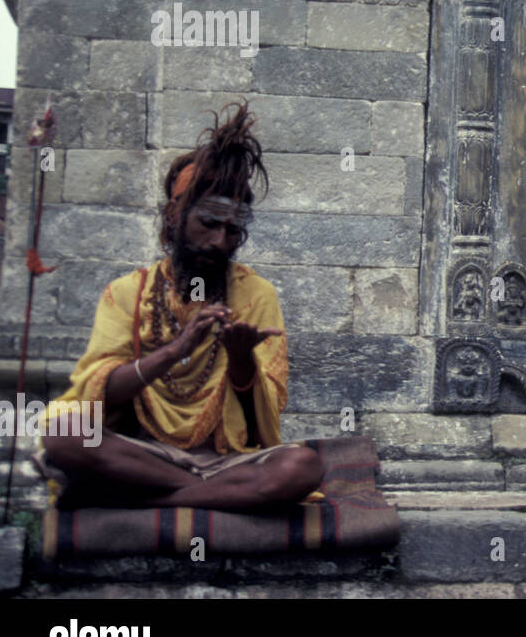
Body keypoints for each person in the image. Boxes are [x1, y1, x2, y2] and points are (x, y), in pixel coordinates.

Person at [36, 101, 323, 511]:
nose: (220, 242)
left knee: (301, 467)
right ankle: (201, 497)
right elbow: (100, 392)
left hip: (226, 461)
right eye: (208, 223)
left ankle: (145, 502)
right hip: (145, 456)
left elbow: (264, 420)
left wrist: (242, 363)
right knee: (65, 434)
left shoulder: (256, 294)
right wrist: (177, 349)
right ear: (174, 214)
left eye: (233, 230)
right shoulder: (127, 292)